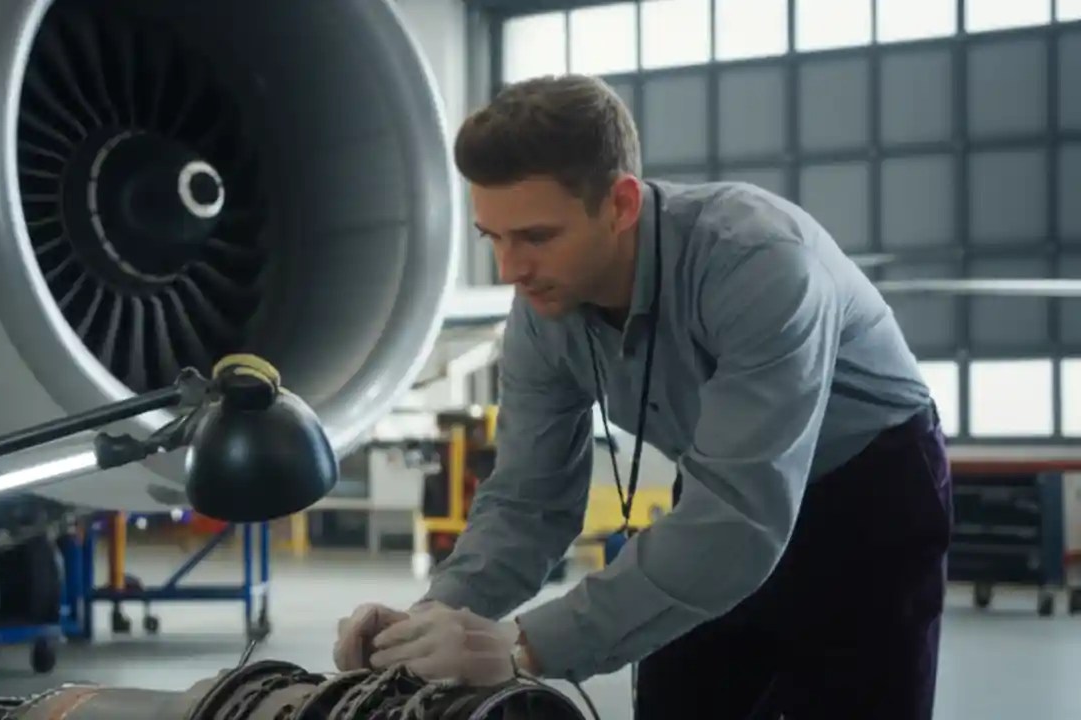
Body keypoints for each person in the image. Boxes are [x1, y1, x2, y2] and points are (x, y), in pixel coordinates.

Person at [333, 73, 953, 720]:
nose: (510, 271)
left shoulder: (760, 264)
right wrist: (429, 622)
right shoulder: (542, 312)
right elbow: (527, 501)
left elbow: (740, 522)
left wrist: (523, 646)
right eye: (495, 238)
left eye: (537, 237)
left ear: (622, 204)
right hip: (718, 494)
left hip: (869, 497)